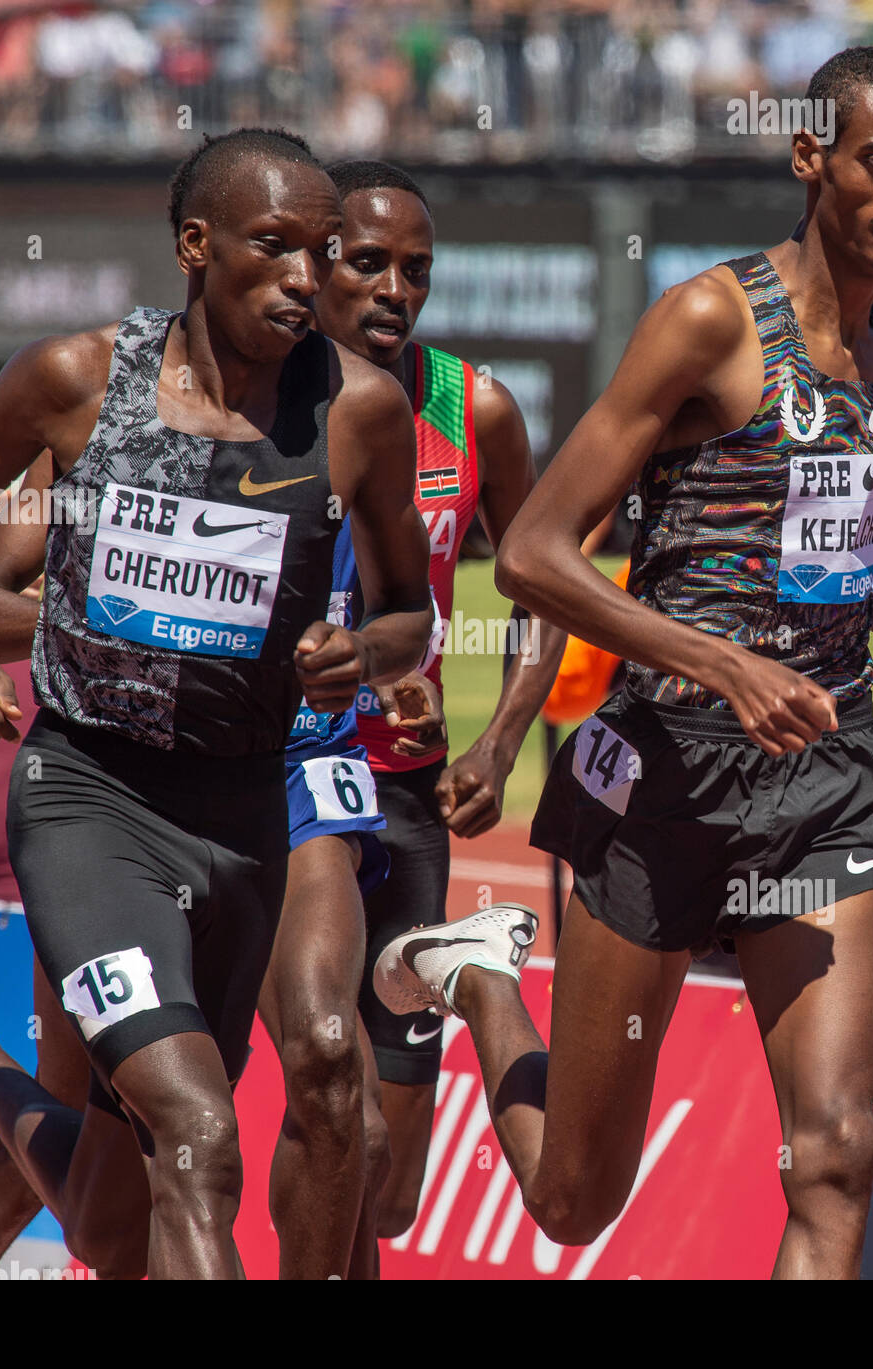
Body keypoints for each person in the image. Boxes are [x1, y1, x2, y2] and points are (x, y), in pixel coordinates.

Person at [375, 47, 873, 1278]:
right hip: (658, 783)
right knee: (573, 1197)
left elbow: (800, 541)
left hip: (817, 785)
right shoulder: (710, 320)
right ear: (808, 157)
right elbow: (538, 552)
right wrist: (723, 668)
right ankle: (484, 984)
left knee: (836, 1153)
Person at [0, 127, 432, 1280]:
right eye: (272, 248)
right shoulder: (80, 380)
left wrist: (356, 653)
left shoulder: (358, 414)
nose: (303, 279)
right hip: (91, 796)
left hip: (245, 812)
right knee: (202, 1133)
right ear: (194, 244)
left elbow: (409, 613)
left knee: (116, 1224)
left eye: (319, 253)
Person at [315, 159, 566, 1248]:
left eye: (415, 270)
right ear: (314, 264)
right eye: (367, 263)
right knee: (317, 1111)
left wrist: (503, 743)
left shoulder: (476, 409)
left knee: (392, 1193)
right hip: (277, 787)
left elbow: (541, 581)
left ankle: (452, 967)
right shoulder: (263, 403)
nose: (393, 290)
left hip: (406, 793)